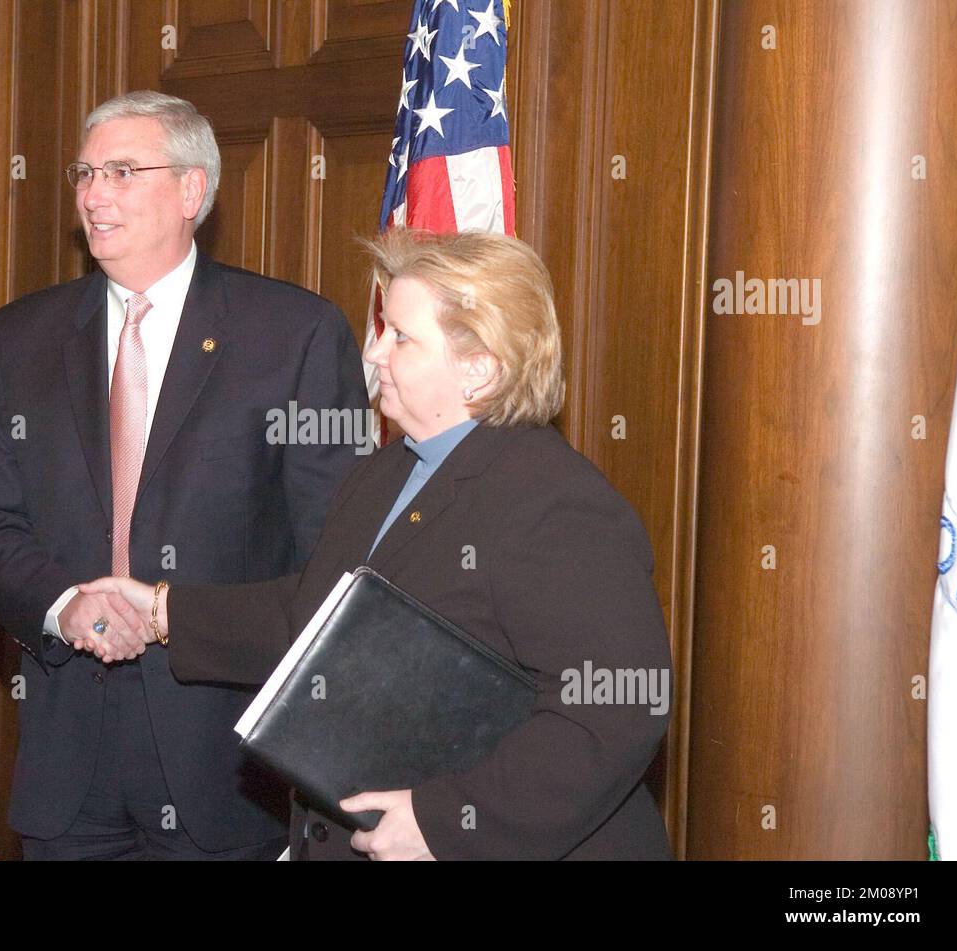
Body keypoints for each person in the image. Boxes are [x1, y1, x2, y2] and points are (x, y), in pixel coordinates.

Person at [80, 228, 675, 860]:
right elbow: (324, 618)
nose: (374, 351)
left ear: (479, 367)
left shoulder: (552, 501)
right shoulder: (384, 472)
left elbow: (617, 700)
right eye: (381, 328)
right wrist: (162, 612)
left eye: (401, 336)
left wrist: (446, 820)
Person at [0, 91, 369, 860]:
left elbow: (333, 558)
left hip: (226, 758)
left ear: (192, 192)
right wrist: (63, 605)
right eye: (84, 172)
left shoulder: (294, 335)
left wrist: (181, 615)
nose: (92, 193)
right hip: (66, 753)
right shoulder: (23, 336)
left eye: (120, 171)